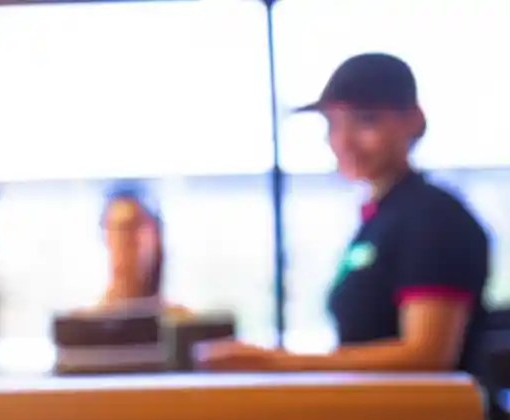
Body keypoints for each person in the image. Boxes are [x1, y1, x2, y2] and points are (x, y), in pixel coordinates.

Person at [200, 53, 490, 375]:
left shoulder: (434, 218)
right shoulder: (382, 217)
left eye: (366, 120)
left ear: (413, 120)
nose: (344, 141)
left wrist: (277, 363)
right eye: (334, 124)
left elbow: (427, 355)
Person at [90, 184, 190, 317]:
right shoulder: (85, 327)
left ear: (156, 236)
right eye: (119, 229)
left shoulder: (180, 321)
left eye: (135, 226)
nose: (126, 240)